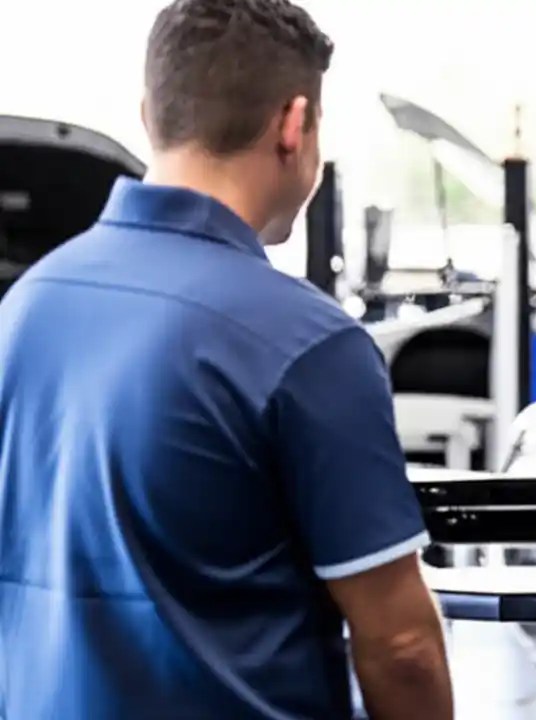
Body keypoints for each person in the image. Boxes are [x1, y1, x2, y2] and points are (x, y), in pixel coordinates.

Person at [0, 1, 453, 718]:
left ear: (150, 116)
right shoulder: (308, 343)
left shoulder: (24, 308)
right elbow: (401, 646)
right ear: (295, 125)